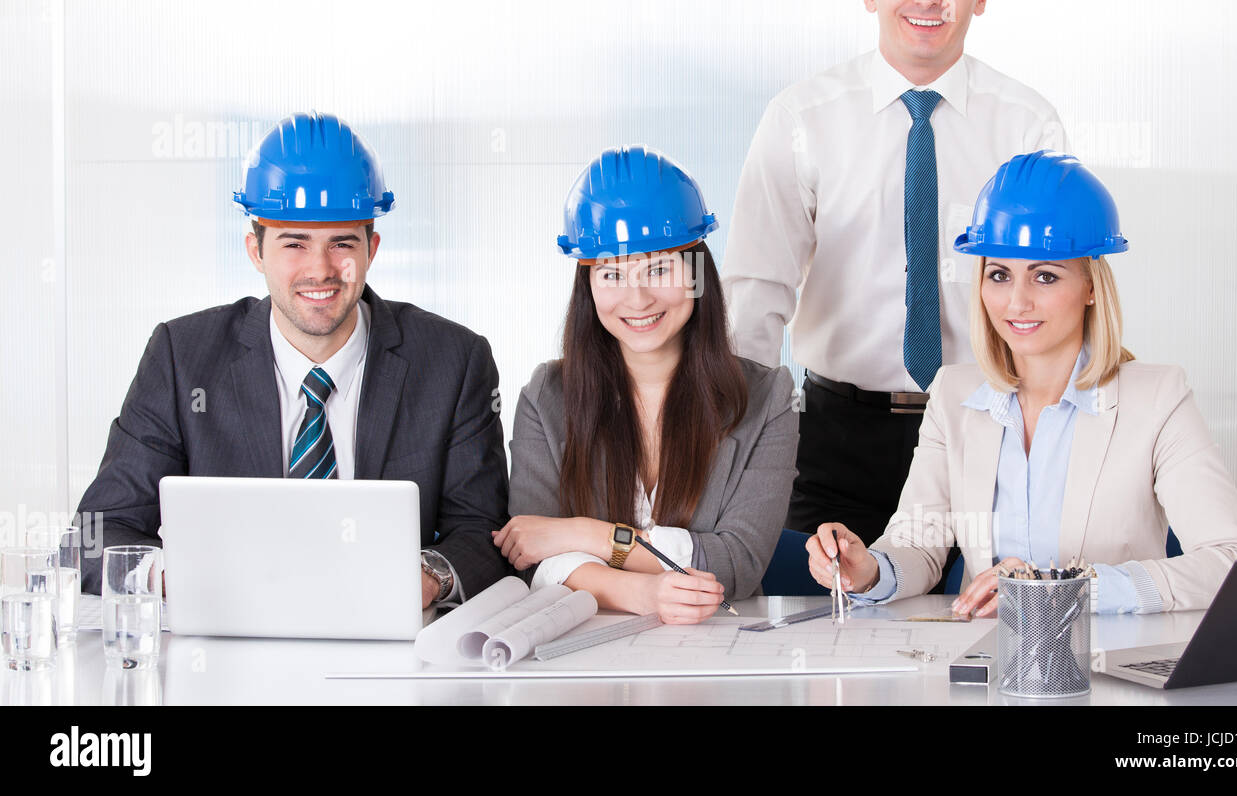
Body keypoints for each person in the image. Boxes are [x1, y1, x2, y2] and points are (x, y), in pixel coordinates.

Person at [721, 0, 1067, 549]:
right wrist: (731, 447)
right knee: (821, 626)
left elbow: (1058, 297)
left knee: (986, 631)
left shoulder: (1028, 127)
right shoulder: (802, 118)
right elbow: (757, 293)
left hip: (986, 428)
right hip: (834, 441)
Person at [76, 112, 510, 606]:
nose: (319, 270)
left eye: (341, 243)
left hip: (386, 650)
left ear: (372, 249)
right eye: (294, 244)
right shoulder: (182, 357)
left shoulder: (454, 361)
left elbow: (484, 533)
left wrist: (429, 577)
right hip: (225, 651)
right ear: (255, 251)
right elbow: (96, 534)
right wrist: (177, 578)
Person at [806, 151, 1237, 614]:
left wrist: (1061, 587)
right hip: (987, 662)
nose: (1016, 302)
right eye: (999, 275)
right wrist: (868, 570)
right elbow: (920, 545)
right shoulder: (954, 395)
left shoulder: (1158, 399)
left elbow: (1233, 560)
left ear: (1090, 287)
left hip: (1105, 664)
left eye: (1045, 276)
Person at [498, 147, 799, 624]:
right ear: (587, 284)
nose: (637, 299)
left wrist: (588, 535)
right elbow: (531, 552)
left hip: (719, 649)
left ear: (698, 273)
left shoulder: (767, 398)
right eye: (612, 273)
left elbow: (735, 565)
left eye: (659, 268)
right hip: (584, 661)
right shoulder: (547, 395)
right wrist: (641, 592)